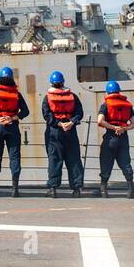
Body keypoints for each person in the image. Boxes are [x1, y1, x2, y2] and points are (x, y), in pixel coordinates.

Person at [0, 66, 30, 197]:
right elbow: (25, 111)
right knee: (14, 156)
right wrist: (11, 118)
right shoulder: (16, 94)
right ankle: (15, 189)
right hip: (12, 126)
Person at [41, 70, 85, 198]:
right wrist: (71, 122)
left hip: (54, 132)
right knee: (74, 159)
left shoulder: (47, 97)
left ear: (51, 83)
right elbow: (79, 112)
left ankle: (53, 188)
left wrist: (59, 124)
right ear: (63, 82)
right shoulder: (72, 96)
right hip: (70, 131)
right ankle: (76, 188)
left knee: (54, 159)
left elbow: (46, 115)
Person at [95, 80, 134, 198]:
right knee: (125, 163)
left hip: (110, 137)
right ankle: (131, 190)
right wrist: (124, 128)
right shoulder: (127, 105)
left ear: (107, 92)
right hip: (123, 137)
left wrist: (113, 127)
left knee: (106, 162)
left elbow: (100, 121)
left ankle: (103, 190)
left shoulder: (106, 105)